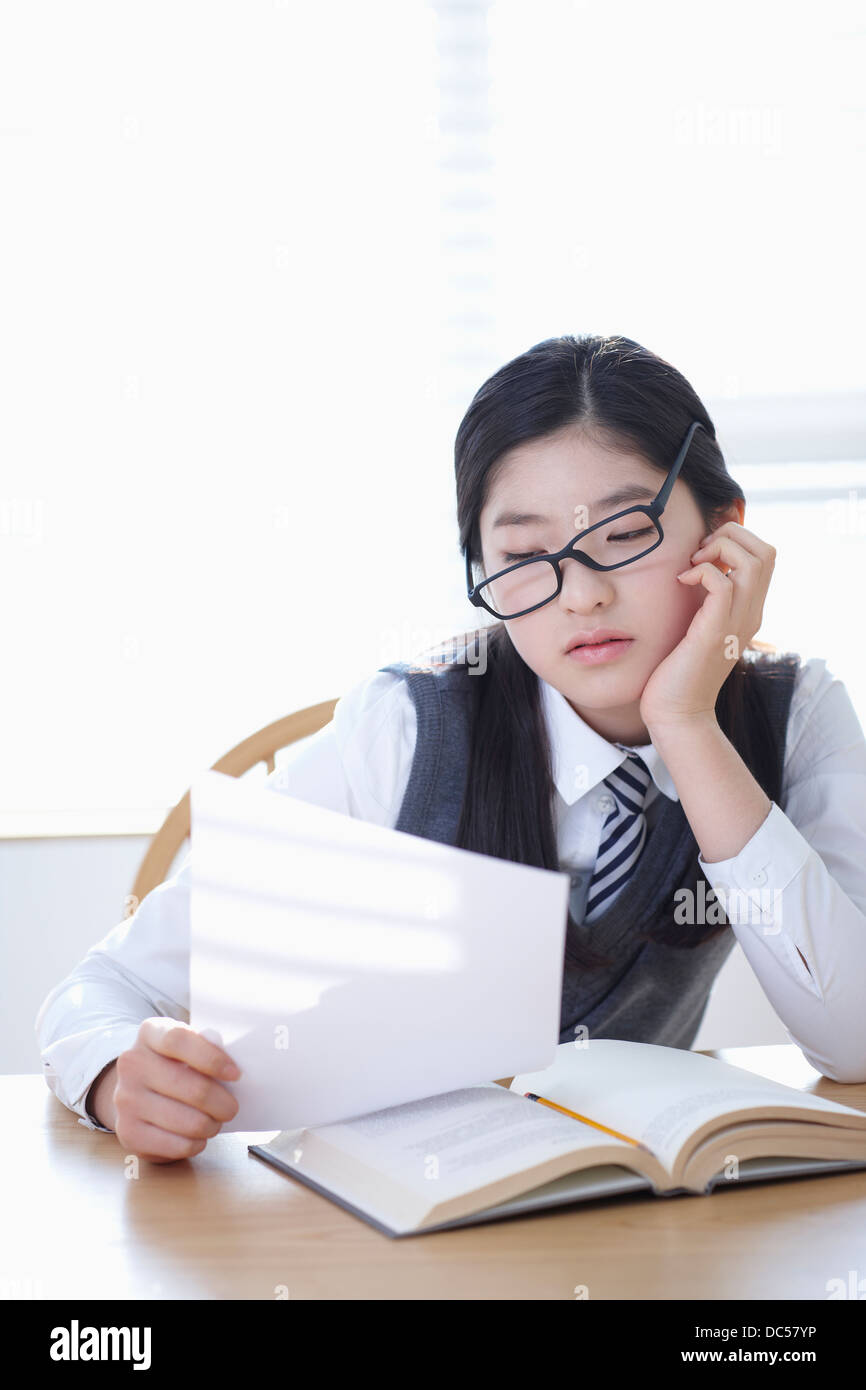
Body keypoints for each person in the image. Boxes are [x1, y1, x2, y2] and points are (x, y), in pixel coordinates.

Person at [35, 332, 866, 1164]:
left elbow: (854, 1043)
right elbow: (102, 989)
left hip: (633, 1224)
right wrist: (115, 1075)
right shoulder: (404, 724)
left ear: (726, 532)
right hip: (393, 1215)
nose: (581, 594)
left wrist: (689, 724)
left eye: (623, 535)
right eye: (522, 556)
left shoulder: (794, 712)